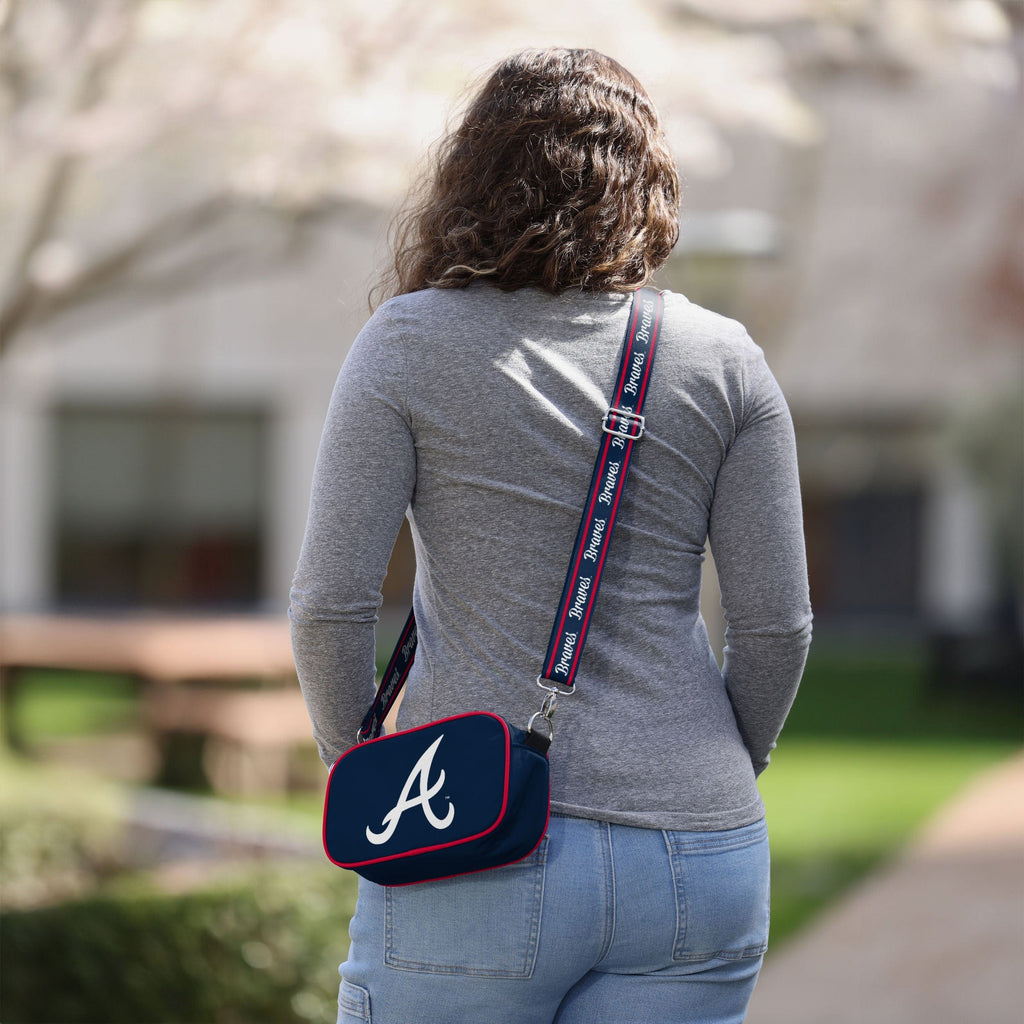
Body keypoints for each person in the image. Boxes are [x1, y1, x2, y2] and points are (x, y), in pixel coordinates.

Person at [290, 47, 812, 1024]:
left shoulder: (406, 345)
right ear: (648, 187)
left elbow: (330, 608)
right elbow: (776, 627)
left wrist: (359, 764)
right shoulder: (724, 360)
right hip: (696, 856)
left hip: (468, 834)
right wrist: (714, 762)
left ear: (470, 178)